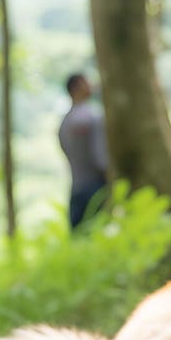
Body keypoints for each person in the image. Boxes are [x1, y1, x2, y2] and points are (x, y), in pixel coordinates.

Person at [59, 73, 109, 229]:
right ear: (76, 88)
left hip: (77, 186)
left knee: (79, 235)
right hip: (96, 185)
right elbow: (99, 155)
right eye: (86, 83)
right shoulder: (93, 117)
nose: (91, 85)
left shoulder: (64, 123)